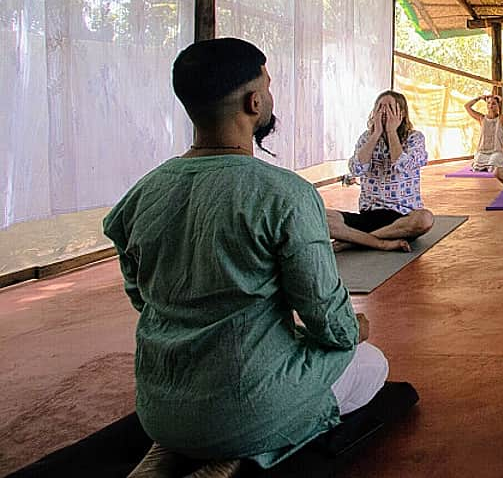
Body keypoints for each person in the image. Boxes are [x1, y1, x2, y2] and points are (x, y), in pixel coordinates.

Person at [102, 38, 388, 469]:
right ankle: (252, 449)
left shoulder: (140, 197)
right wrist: (356, 330)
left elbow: (142, 298)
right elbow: (329, 322)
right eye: (268, 86)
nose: (270, 96)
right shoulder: (285, 195)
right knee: (371, 362)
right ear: (255, 101)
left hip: (160, 410)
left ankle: (180, 446)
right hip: (250, 408)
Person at [326, 91, 434, 252]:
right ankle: (379, 241)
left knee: (425, 219)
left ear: (401, 113)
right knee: (319, 215)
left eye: (390, 107)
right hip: (368, 214)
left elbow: (402, 165)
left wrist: (391, 132)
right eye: (380, 107)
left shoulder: (415, 138)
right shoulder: (366, 138)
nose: (384, 112)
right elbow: (356, 168)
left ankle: (354, 241)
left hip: (402, 218)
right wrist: (376, 133)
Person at [465, 92, 503, 172]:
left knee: (492, 168)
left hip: (496, 152)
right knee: (477, 168)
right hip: (482, 152)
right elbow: (467, 106)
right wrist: (479, 98)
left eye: (494, 103)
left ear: (498, 106)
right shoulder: (481, 118)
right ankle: (479, 164)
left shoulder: (501, 119)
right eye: (488, 103)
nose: (491, 105)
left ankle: (493, 164)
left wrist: (502, 99)